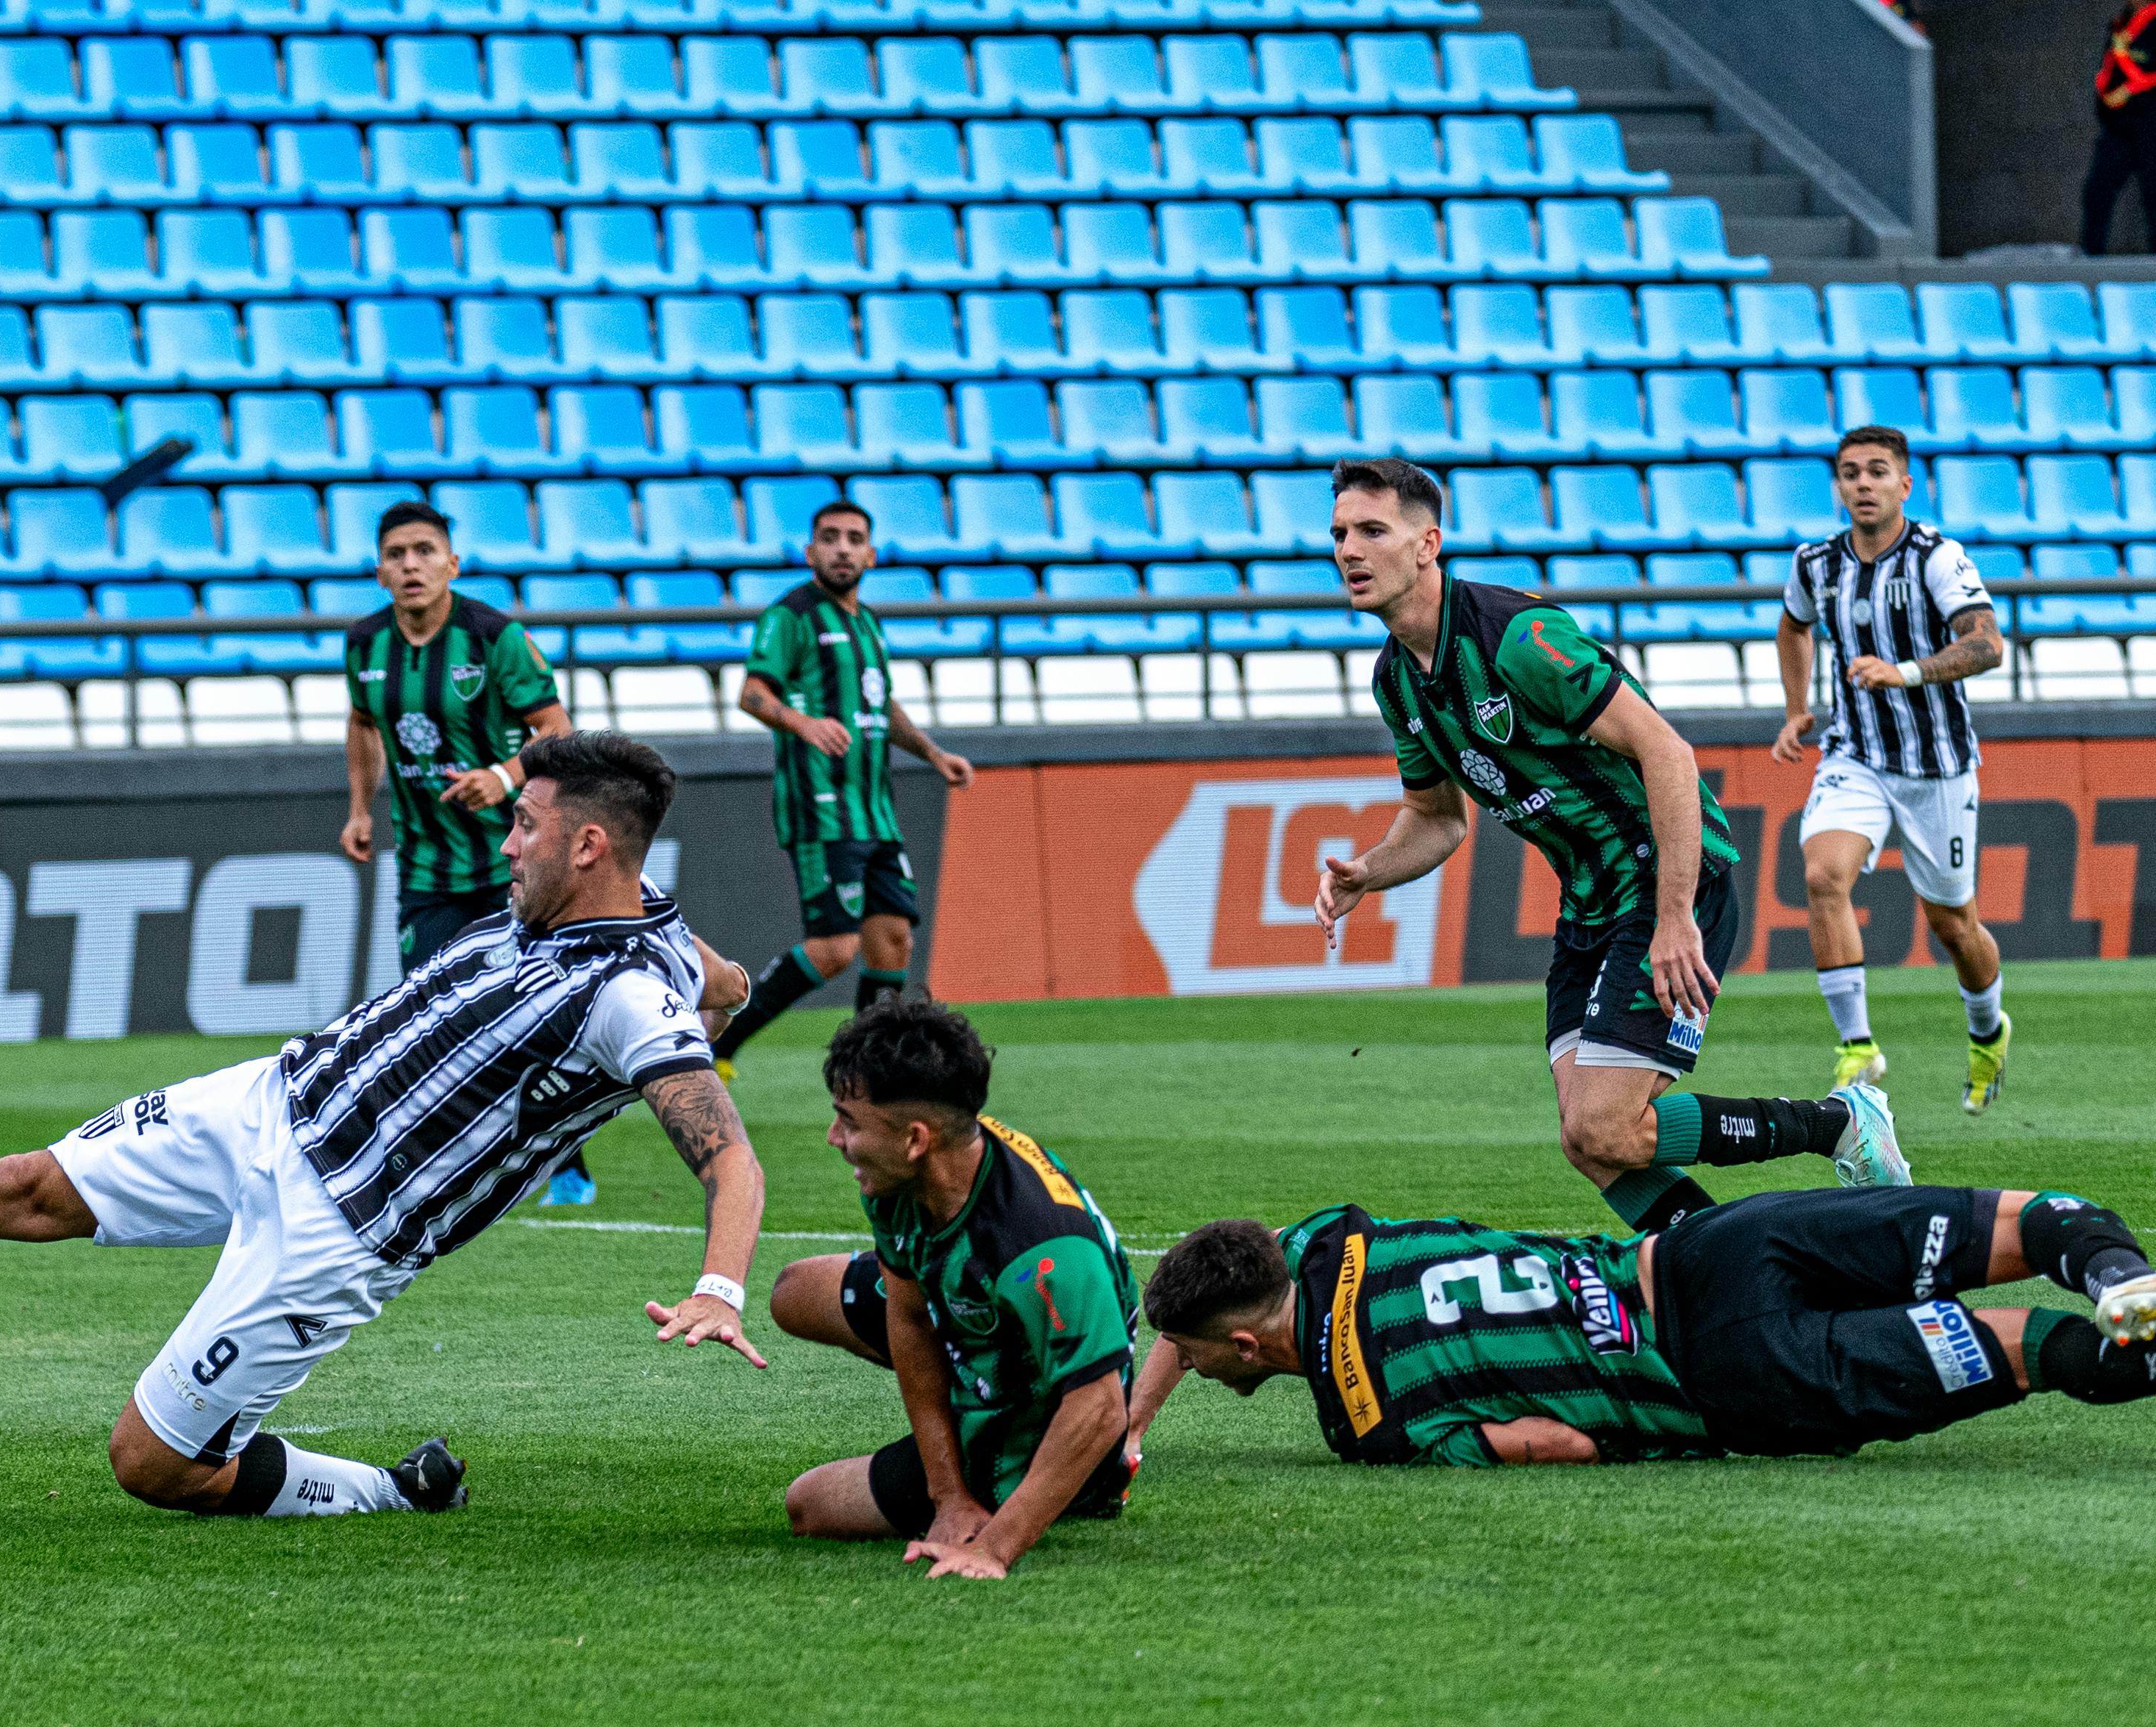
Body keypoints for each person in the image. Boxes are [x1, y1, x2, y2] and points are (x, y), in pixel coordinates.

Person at [0, 734, 766, 1521]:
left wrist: (718, 1285)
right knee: (14, 1186)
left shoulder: (627, 1000)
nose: (507, 843)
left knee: (151, 1466)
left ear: (588, 846)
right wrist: (727, 982)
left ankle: (393, 1491)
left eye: (527, 827)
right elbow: (710, 969)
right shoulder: (638, 919)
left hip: (339, 1229)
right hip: (269, 1103)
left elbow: (730, 1158)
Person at [1316, 457, 1909, 1234]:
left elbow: (1668, 752)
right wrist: (1369, 870)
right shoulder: (1396, 680)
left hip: (1668, 884)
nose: (1349, 551)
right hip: (1589, 905)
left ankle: (1838, 1123)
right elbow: (1437, 818)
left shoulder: (1519, 639)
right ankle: (1709, 1265)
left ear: (1428, 545)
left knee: (1605, 1123)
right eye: (1339, 534)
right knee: (1588, 1141)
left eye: (1372, 531)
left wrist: (1674, 916)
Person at [1141, 1188, 2156, 1469]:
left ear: (1245, 1346)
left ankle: (2122, 1337)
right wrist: (1133, 1418)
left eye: (1189, 1355)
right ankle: (2118, 1274)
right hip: (1709, 1253)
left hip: (1729, 1376)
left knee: (2037, 1350)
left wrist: (1131, 1423)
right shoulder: (1328, 1240)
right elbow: (1211, 1286)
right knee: (2031, 1224)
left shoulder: (1372, 1422)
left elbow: (1559, 1443)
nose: (1182, 1364)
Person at [773, 998, 1177, 1579]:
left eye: (851, 1123)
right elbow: (910, 1317)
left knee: (808, 1505)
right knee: (793, 1292)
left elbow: (1101, 1408)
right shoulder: (902, 1179)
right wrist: (947, 1496)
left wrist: (991, 1548)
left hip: (1046, 1409)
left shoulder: (1043, 1249)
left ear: (916, 1140)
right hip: (975, 1311)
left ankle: (1074, 1483)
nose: (834, 1137)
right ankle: (969, 1407)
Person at [336, 498, 599, 1206]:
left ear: (452, 564)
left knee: (529, 1012)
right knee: (428, 1019)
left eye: (425, 551)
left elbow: (557, 727)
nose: (411, 565)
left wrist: (504, 777)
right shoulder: (364, 644)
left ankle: (564, 1160)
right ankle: (442, 1164)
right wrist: (360, 808)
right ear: (379, 571)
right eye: (397, 555)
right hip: (425, 864)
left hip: (513, 863)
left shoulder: (493, 637)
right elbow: (362, 725)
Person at [1774, 428, 2015, 1113]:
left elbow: (1987, 645)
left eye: (1878, 472)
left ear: (1904, 485)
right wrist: (1796, 709)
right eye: (1851, 473)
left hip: (1936, 765)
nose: (1863, 484)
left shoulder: (1938, 557)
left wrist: (1902, 672)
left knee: (1954, 927)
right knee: (1822, 875)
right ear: (1839, 486)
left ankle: (1987, 1031)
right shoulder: (1815, 563)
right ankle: (1858, 1048)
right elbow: (1793, 626)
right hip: (1855, 753)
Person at [710, 500, 974, 1079]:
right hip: (822, 809)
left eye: (854, 539)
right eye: (829, 538)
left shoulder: (868, 623)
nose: (842, 549)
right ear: (811, 552)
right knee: (834, 949)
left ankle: (870, 1072)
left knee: (894, 941)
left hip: (874, 812)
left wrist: (933, 754)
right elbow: (751, 693)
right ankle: (720, 1037)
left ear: (871, 555)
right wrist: (803, 724)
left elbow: (880, 703)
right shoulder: (792, 616)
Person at [2085, 0, 2156, 257]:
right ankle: (2090, 255)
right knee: (2097, 189)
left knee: (2153, 192)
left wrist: (2130, 90)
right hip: (2118, 124)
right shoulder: (2122, 22)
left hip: (2150, 123)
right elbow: (2110, 66)